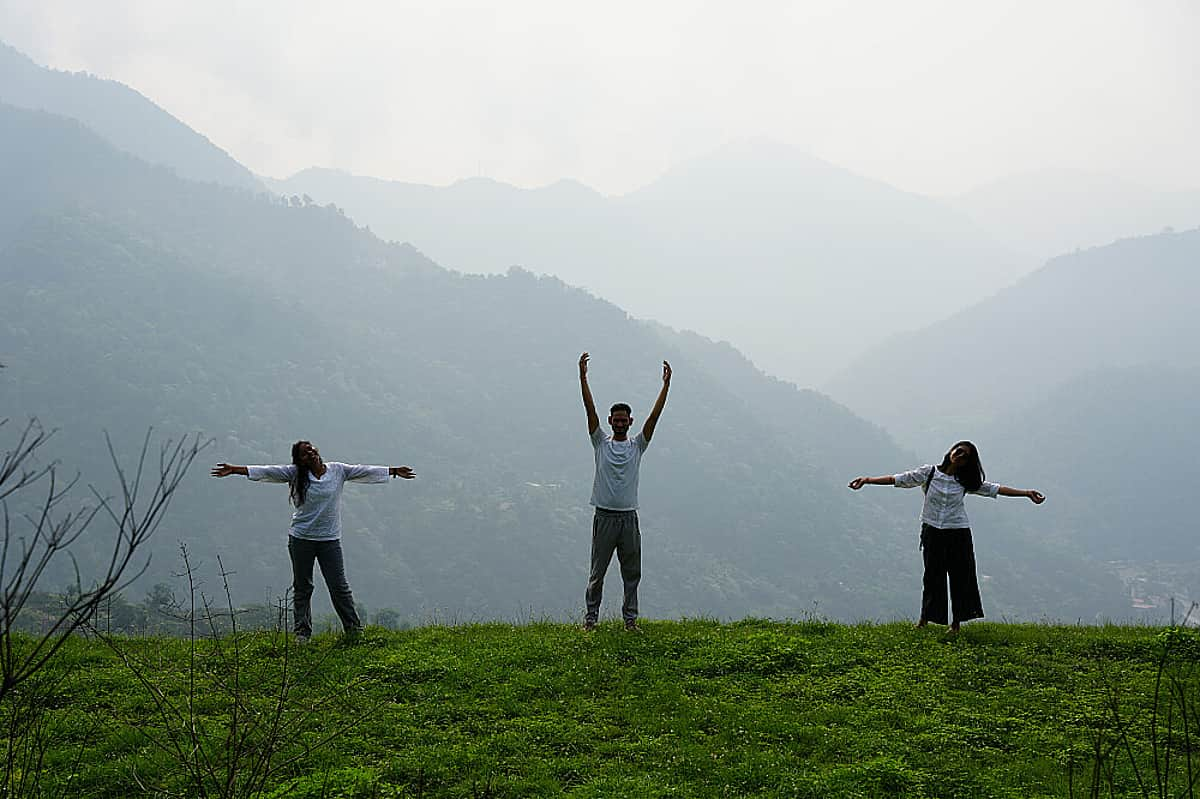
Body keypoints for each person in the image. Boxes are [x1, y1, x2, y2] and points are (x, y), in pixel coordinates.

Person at [211, 441, 415, 641]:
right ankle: (302, 633)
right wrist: (234, 469)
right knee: (303, 587)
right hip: (301, 539)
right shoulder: (294, 474)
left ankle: (354, 631)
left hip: (330, 541)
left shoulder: (338, 470)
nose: (310, 453)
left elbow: (364, 470)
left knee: (339, 587)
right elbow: (267, 471)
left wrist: (394, 471)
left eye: (311, 449)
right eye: (304, 453)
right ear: (300, 460)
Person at [847, 440, 1045, 632]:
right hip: (932, 531)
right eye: (958, 451)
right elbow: (898, 479)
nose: (959, 456)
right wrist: (867, 480)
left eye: (965, 456)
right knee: (932, 575)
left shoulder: (966, 481)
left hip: (958, 532)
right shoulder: (929, 473)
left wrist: (1026, 493)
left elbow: (995, 489)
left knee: (961, 577)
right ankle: (924, 619)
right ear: (951, 451)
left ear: (968, 462)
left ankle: (956, 624)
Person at [578, 352, 671, 632]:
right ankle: (591, 619)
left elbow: (654, 418)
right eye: (615, 420)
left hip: (628, 518)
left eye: (624, 420)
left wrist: (665, 386)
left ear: (630, 421)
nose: (619, 423)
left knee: (632, 572)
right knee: (598, 573)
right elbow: (589, 411)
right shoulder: (600, 443)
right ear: (610, 421)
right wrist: (583, 378)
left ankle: (630, 621)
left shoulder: (637, 446)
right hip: (604, 517)